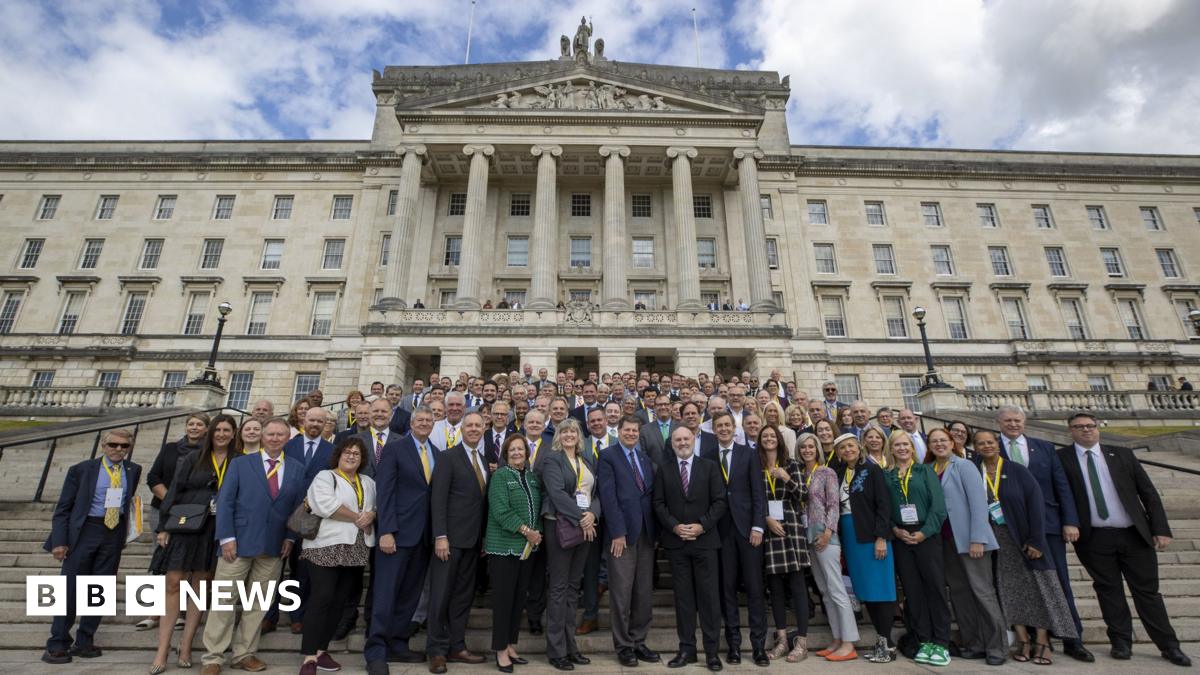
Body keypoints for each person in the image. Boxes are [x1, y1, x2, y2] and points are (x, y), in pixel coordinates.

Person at [1057, 412, 1191, 667]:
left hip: (1133, 534)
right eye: (1079, 427)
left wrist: (1160, 528)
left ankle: (1168, 644)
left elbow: (1148, 493)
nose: (1086, 430)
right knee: (1108, 591)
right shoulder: (1061, 458)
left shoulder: (1122, 455)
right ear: (1070, 431)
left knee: (1147, 592)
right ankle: (1121, 641)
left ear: (1098, 428)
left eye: (1090, 426)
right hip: (1093, 537)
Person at [201, 417, 306, 674]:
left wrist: (290, 538)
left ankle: (244, 653)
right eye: (270, 434)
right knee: (225, 601)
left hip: (273, 545)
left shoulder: (296, 468)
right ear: (262, 436)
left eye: (280, 435)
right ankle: (213, 657)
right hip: (237, 543)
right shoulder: (240, 463)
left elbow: (297, 508)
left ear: (287, 438)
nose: (275, 438)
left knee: (257, 604)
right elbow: (225, 502)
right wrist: (226, 538)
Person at [973, 429, 1077, 666]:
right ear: (975, 448)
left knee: (1039, 588)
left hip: (1022, 537)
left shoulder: (1016, 470)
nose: (986, 446)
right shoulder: (975, 471)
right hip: (995, 541)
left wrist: (1037, 539)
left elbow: (1036, 505)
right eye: (981, 443)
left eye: (990, 442)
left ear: (998, 445)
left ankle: (1043, 639)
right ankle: (1023, 639)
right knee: (1008, 589)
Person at [994, 405, 1089, 662]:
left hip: (1047, 524)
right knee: (1021, 585)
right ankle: (1032, 637)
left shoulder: (1044, 448)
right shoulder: (991, 449)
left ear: (1024, 422)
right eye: (1007, 421)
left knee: (1057, 582)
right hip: (1009, 528)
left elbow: (1062, 486)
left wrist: (1070, 521)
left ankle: (1072, 638)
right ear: (999, 423)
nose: (1013, 424)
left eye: (1017, 420)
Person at [41, 429, 142, 665]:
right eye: (114, 445)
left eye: (124, 446)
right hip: (85, 529)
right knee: (70, 588)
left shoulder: (133, 470)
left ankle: (85, 639)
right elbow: (64, 507)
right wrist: (59, 541)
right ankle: (57, 642)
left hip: (113, 532)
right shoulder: (82, 469)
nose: (119, 450)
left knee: (100, 588)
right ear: (103, 446)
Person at [151, 415, 236, 673]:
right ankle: (162, 650)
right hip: (187, 524)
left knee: (201, 586)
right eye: (217, 429)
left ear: (234, 434)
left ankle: (186, 645)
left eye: (226, 430)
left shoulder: (239, 461)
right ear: (211, 433)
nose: (221, 434)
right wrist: (164, 525)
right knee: (174, 582)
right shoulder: (194, 457)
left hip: (215, 528)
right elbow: (175, 489)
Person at [924, 427, 1005, 665]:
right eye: (934, 441)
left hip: (970, 540)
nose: (939, 444)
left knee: (983, 593)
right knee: (959, 594)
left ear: (952, 442)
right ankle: (974, 643)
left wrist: (978, 537)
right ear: (929, 446)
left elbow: (978, 503)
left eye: (943, 440)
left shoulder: (964, 466)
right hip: (945, 541)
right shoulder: (928, 469)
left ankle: (997, 647)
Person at [365, 406, 437, 673]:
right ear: (411, 422)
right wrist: (385, 530)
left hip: (423, 537)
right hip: (395, 535)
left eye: (429, 420)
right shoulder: (395, 449)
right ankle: (376, 650)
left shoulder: (436, 453)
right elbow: (384, 491)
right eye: (420, 419)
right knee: (385, 594)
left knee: (409, 595)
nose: (425, 423)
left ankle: (398, 643)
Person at [299, 437, 377, 675]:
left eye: (357, 454)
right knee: (322, 598)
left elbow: (374, 507)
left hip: (356, 546)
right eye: (347, 452)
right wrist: (358, 516)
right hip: (326, 545)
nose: (352, 456)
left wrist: (371, 515)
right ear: (338, 455)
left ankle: (322, 651)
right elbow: (325, 505)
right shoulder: (325, 476)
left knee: (339, 601)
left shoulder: (368, 481)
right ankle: (308, 657)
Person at [653, 425, 726, 672]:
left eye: (686, 438)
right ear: (671, 443)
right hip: (676, 544)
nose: (682, 442)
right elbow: (659, 503)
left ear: (694, 440)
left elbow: (719, 502)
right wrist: (674, 527)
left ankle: (712, 653)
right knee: (683, 600)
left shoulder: (710, 467)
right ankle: (687, 649)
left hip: (705, 542)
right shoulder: (663, 469)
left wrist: (701, 526)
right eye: (677, 439)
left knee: (709, 600)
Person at [700, 411, 768, 666]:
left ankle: (759, 646)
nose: (724, 429)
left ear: (734, 428)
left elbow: (758, 493)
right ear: (714, 430)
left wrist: (758, 527)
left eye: (728, 425)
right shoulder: (706, 458)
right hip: (721, 533)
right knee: (726, 590)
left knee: (754, 589)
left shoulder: (749, 454)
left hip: (748, 530)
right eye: (720, 426)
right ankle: (734, 646)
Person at [427, 411, 490, 672]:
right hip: (449, 541)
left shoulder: (485, 461)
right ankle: (437, 650)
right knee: (441, 595)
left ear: (484, 429)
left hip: (473, 542)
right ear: (461, 429)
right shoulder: (448, 457)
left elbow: (481, 503)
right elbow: (437, 500)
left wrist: (484, 538)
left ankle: (457, 646)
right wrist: (440, 536)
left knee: (463, 596)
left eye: (478, 425)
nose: (474, 429)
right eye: (470, 425)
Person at [597, 415, 659, 668]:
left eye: (635, 430)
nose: (631, 434)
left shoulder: (645, 459)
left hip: (646, 533)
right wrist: (618, 533)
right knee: (621, 593)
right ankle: (623, 645)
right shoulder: (608, 456)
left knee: (643, 592)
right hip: (622, 535)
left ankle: (639, 640)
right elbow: (608, 498)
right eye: (627, 430)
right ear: (619, 431)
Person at [829, 433, 896, 663]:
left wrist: (881, 537)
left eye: (850, 446)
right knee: (865, 590)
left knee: (881, 589)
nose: (847, 450)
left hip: (871, 535)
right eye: (842, 448)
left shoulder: (872, 469)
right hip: (850, 535)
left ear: (859, 447)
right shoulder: (839, 474)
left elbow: (883, 505)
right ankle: (880, 640)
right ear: (837, 453)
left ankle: (887, 642)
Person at [537, 418, 598, 670]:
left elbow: (596, 494)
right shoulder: (552, 460)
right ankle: (556, 649)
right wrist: (581, 518)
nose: (569, 435)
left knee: (574, 587)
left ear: (579, 436)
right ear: (558, 436)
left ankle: (571, 646)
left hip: (584, 526)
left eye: (573, 431)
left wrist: (592, 514)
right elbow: (557, 493)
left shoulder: (586, 460)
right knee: (559, 587)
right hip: (560, 525)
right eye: (564, 431)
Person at [885, 431, 950, 667]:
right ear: (891, 449)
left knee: (934, 588)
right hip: (902, 537)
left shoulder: (926, 472)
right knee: (912, 591)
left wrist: (924, 532)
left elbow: (938, 508)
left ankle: (941, 641)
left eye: (906, 444)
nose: (902, 448)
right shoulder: (887, 475)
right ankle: (924, 640)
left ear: (912, 448)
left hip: (926, 535)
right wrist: (895, 530)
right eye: (897, 445)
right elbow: (884, 508)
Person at [793, 433, 856, 661]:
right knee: (825, 591)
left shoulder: (826, 472)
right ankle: (837, 638)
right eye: (803, 447)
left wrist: (829, 532)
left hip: (824, 534)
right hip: (806, 536)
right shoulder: (800, 474)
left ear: (817, 449)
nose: (807, 450)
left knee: (836, 588)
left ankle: (849, 642)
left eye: (811, 446)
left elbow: (834, 504)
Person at [486, 435, 544, 672]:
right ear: (506, 454)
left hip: (526, 550)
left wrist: (536, 532)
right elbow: (500, 510)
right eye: (513, 450)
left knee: (518, 599)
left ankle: (510, 645)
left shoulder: (531, 478)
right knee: (503, 601)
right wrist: (526, 530)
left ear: (527, 453)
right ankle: (500, 650)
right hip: (503, 548)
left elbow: (538, 508)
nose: (517, 453)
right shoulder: (500, 476)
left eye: (521, 449)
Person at [757, 425, 809, 662]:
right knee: (775, 588)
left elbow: (804, 496)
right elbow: (752, 499)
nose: (769, 439)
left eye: (772, 436)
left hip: (791, 528)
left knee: (798, 586)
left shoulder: (793, 466)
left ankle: (802, 642)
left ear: (779, 440)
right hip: (769, 529)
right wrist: (765, 519)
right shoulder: (756, 468)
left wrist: (787, 479)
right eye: (764, 436)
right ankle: (781, 640)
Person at [639, 394, 680, 466]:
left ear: (671, 407)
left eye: (666, 404)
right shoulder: (644, 430)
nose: (663, 407)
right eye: (659, 405)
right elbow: (643, 456)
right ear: (654, 408)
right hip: (654, 474)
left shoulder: (681, 428)